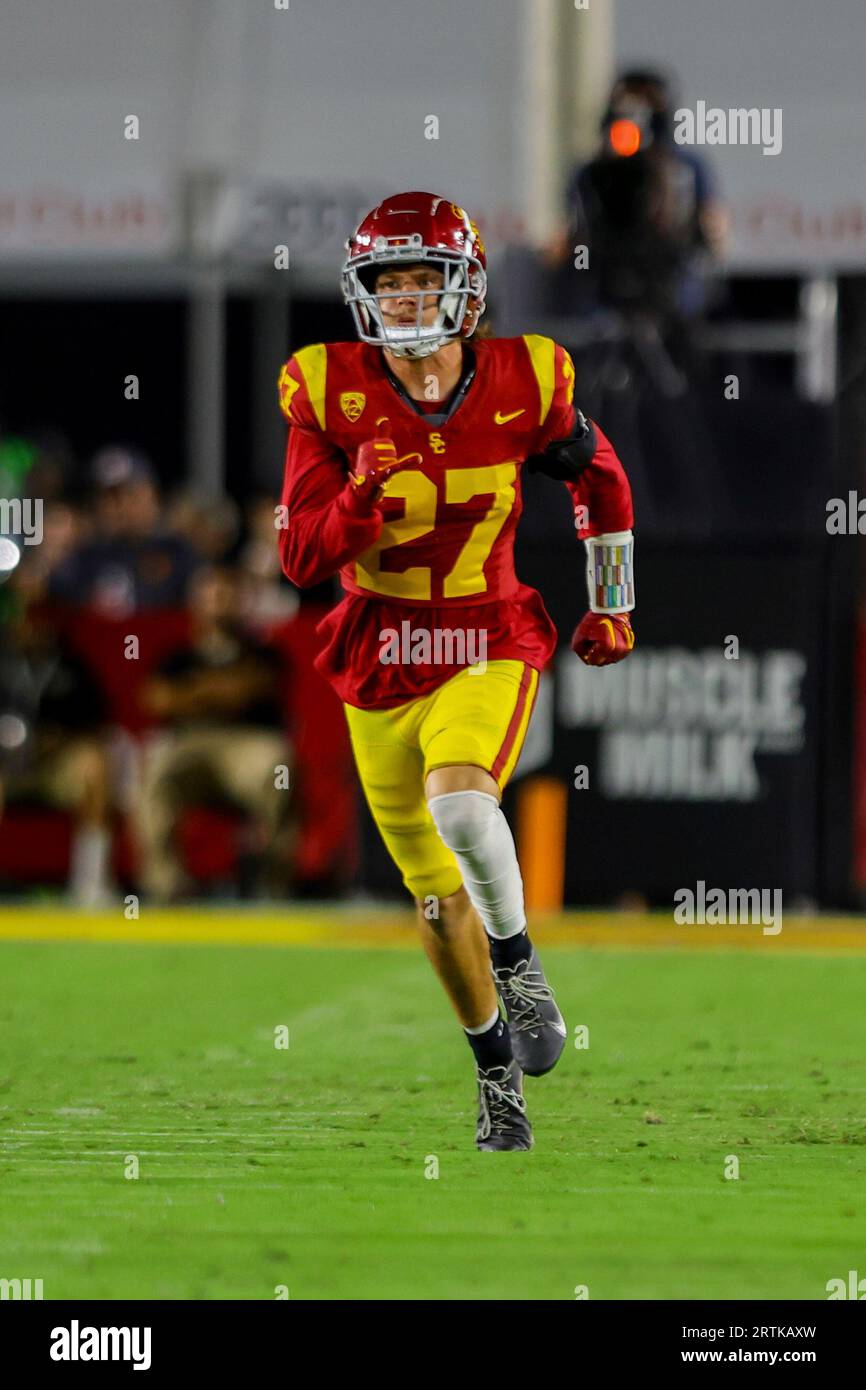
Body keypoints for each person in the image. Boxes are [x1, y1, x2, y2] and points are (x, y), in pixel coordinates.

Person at [276, 192, 636, 1151]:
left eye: (421, 278)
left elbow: (600, 476)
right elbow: (303, 558)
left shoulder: (528, 380)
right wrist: (361, 495)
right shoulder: (326, 390)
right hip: (379, 650)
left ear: (466, 288)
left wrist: (613, 598)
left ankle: (521, 966)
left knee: (464, 804)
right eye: (386, 283)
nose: (402, 299)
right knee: (437, 906)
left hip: (483, 633)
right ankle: (496, 1082)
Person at [136, 564, 292, 901]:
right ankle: (165, 885)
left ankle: (272, 884)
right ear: (196, 602)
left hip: (247, 744)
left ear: (241, 601)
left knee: (279, 766)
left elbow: (247, 691)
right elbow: (157, 700)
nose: (219, 603)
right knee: (156, 764)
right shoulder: (177, 655)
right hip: (189, 743)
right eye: (211, 596)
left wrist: (192, 693)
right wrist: (217, 691)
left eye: (227, 595)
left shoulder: (264, 651)